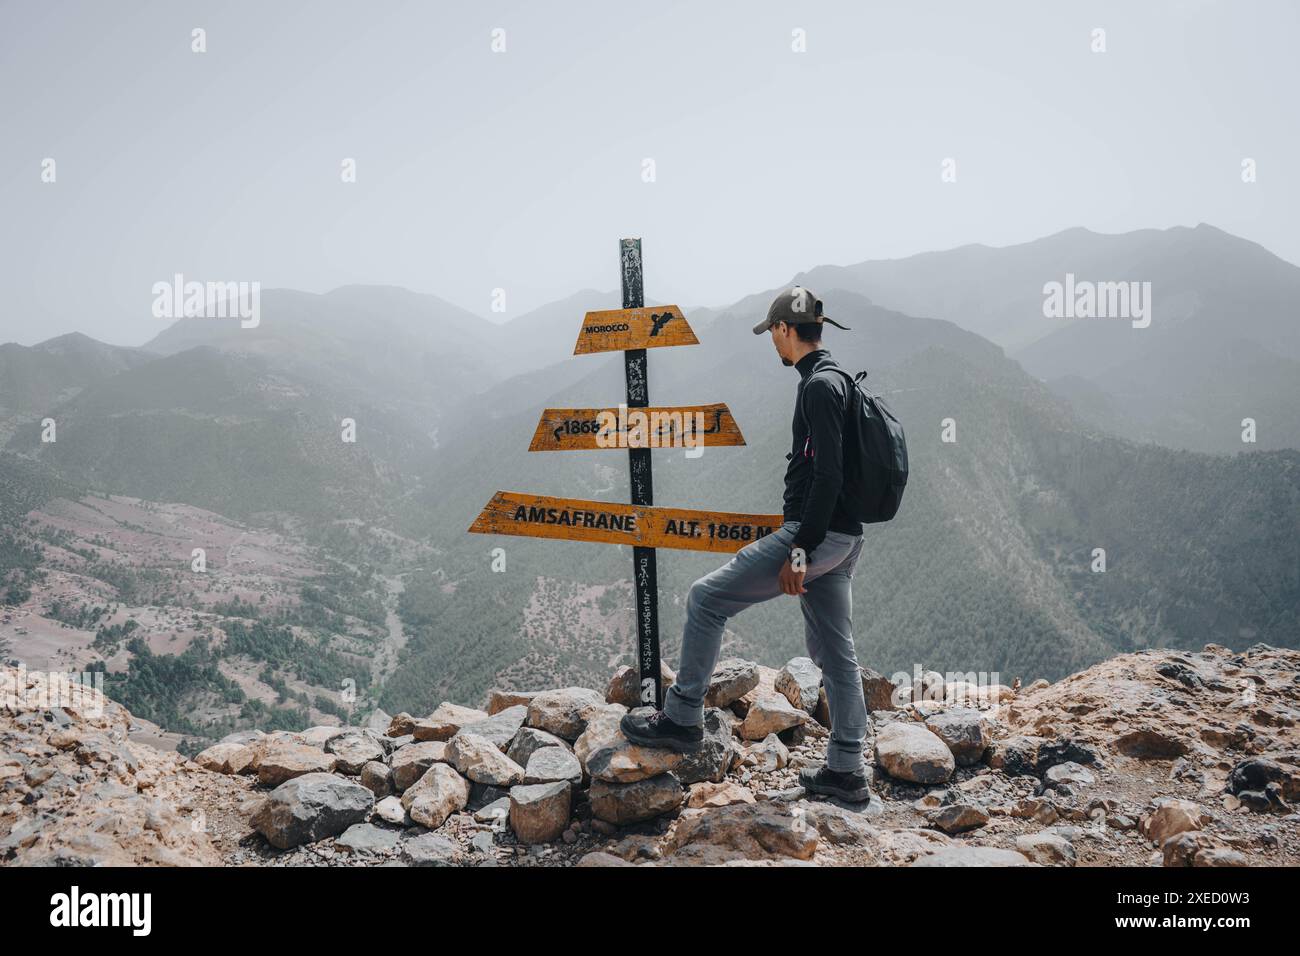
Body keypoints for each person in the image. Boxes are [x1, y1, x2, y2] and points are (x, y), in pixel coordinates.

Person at [620, 287, 873, 802]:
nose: (772, 345)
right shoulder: (840, 379)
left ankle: (683, 716)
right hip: (846, 540)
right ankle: (847, 772)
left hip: (815, 537)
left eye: (771, 334)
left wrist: (799, 550)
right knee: (836, 653)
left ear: (784, 329)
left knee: (706, 598)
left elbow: (826, 476)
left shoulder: (818, 388)